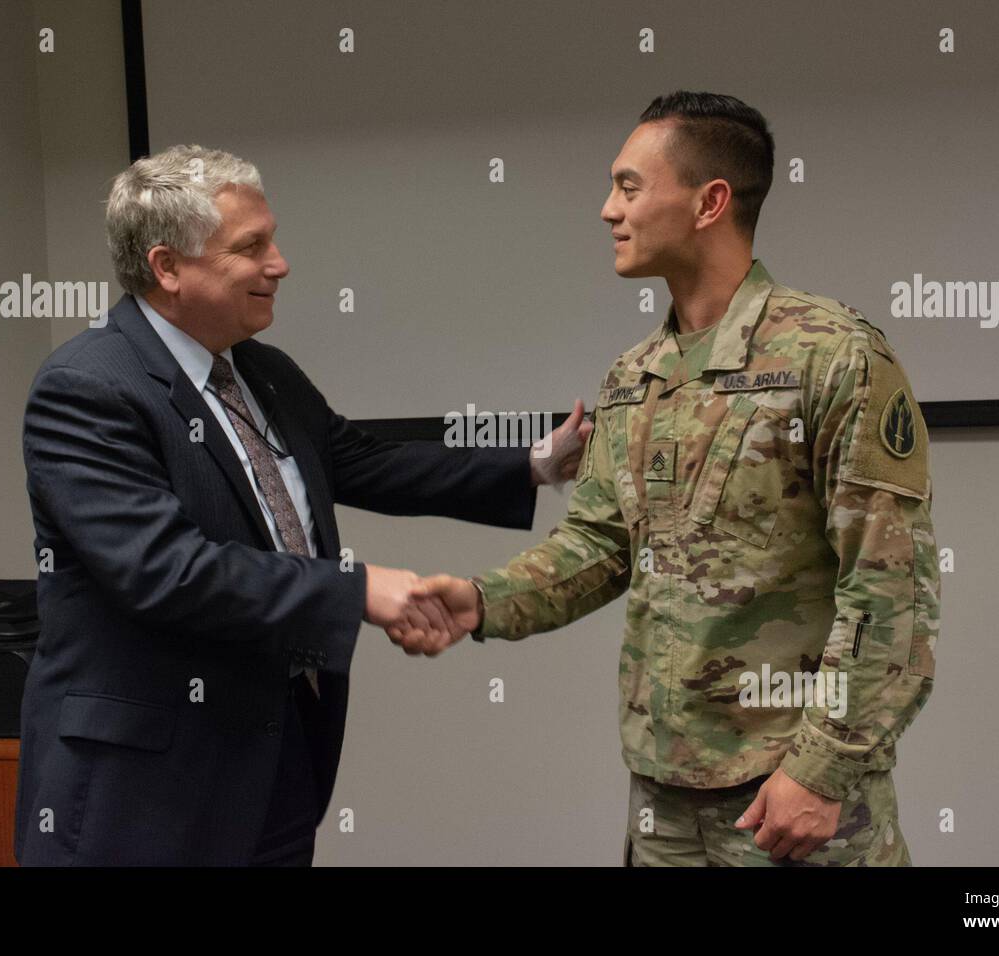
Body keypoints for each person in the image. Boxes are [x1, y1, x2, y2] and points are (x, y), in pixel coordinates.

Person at [403, 92, 941, 867]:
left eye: (628, 186)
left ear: (709, 202)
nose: (606, 211)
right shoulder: (633, 377)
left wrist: (821, 772)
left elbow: (891, 591)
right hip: (664, 803)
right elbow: (600, 546)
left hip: (787, 803)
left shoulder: (833, 355)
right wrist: (482, 602)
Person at [15, 145, 590, 866]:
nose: (279, 263)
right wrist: (358, 591)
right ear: (167, 268)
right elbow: (166, 570)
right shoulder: (86, 387)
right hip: (144, 787)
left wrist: (534, 465)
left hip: (275, 754)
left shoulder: (261, 370)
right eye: (251, 247)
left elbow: (366, 462)